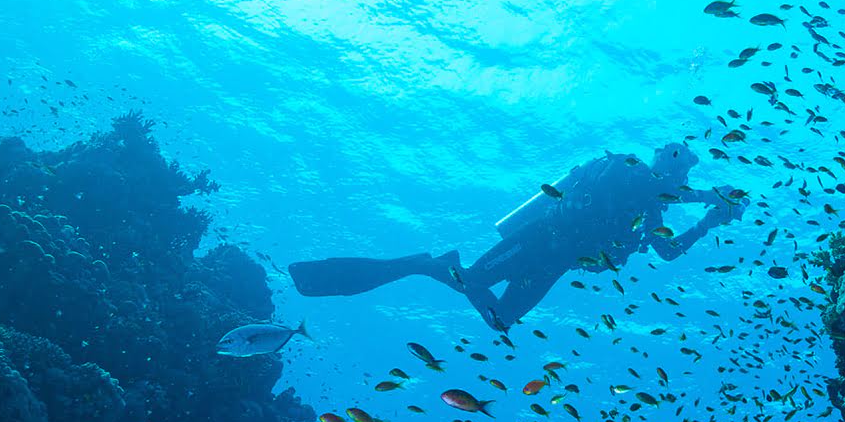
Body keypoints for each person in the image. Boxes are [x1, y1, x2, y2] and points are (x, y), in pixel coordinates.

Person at [289, 143, 740, 330]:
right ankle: (424, 264)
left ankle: (436, 265)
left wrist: (707, 224)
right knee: (471, 282)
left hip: (557, 263)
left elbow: (667, 250)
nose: (677, 171)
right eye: (677, 164)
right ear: (663, 159)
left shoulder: (654, 206)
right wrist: (708, 196)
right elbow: (653, 187)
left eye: (683, 169)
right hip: (541, 236)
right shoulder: (627, 169)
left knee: (500, 321)